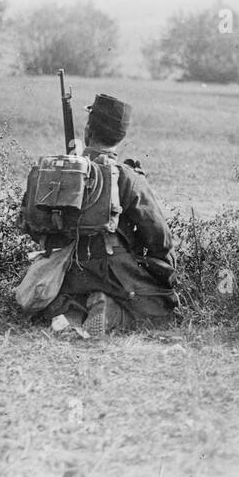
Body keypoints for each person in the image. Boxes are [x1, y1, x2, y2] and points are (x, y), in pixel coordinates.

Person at [17, 94, 178, 338]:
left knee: (53, 297)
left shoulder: (57, 171)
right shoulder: (127, 176)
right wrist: (163, 273)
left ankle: (71, 312)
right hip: (111, 269)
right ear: (121, 136)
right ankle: (109, 309)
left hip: (65, 269)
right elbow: (159, 237)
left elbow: (29, 223)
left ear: (87, 130)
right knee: (161, 309)